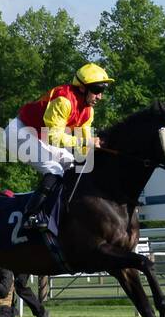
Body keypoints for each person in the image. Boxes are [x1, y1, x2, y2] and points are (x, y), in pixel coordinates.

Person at [9, 63, 113, 230]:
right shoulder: (64, 100)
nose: (100, 96)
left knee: (72, 166)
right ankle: (30, 216)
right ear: (82, 88)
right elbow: (54, 137)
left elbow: (84, 144)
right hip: (20, 132)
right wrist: (87, 142)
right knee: (54, 169)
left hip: (41, 137)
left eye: (102, 91)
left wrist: (94, 154)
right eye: (96, 90)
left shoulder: (88, 111)